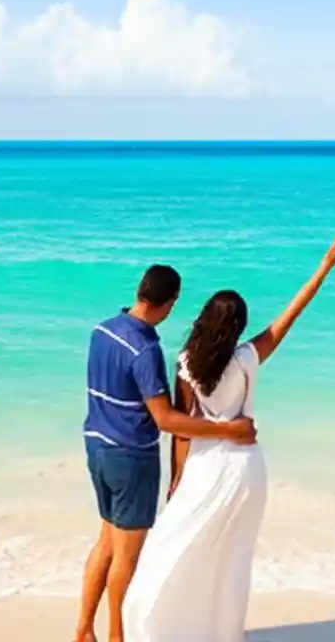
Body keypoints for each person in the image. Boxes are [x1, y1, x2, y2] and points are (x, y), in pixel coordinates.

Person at [121, 234, 335, 642]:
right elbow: (291, 314)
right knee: (231, 560)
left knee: (176, 549)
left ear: (204, 319)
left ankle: (166, 628)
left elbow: (181, 428)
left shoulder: (185, 364)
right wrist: (324, 267)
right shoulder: (247, 357)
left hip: (205, 467)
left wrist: (174, 482)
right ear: (237, 328)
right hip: (247, 469)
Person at [76, 264, 259, 642]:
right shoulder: (145, 350)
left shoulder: (103, 329)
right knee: (126, 556)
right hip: (130, 457)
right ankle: (116, 637)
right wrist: (227, 429)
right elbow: (166, 419)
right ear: (169, 303)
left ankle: (83, 629)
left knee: (106, 542)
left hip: (96, 445)